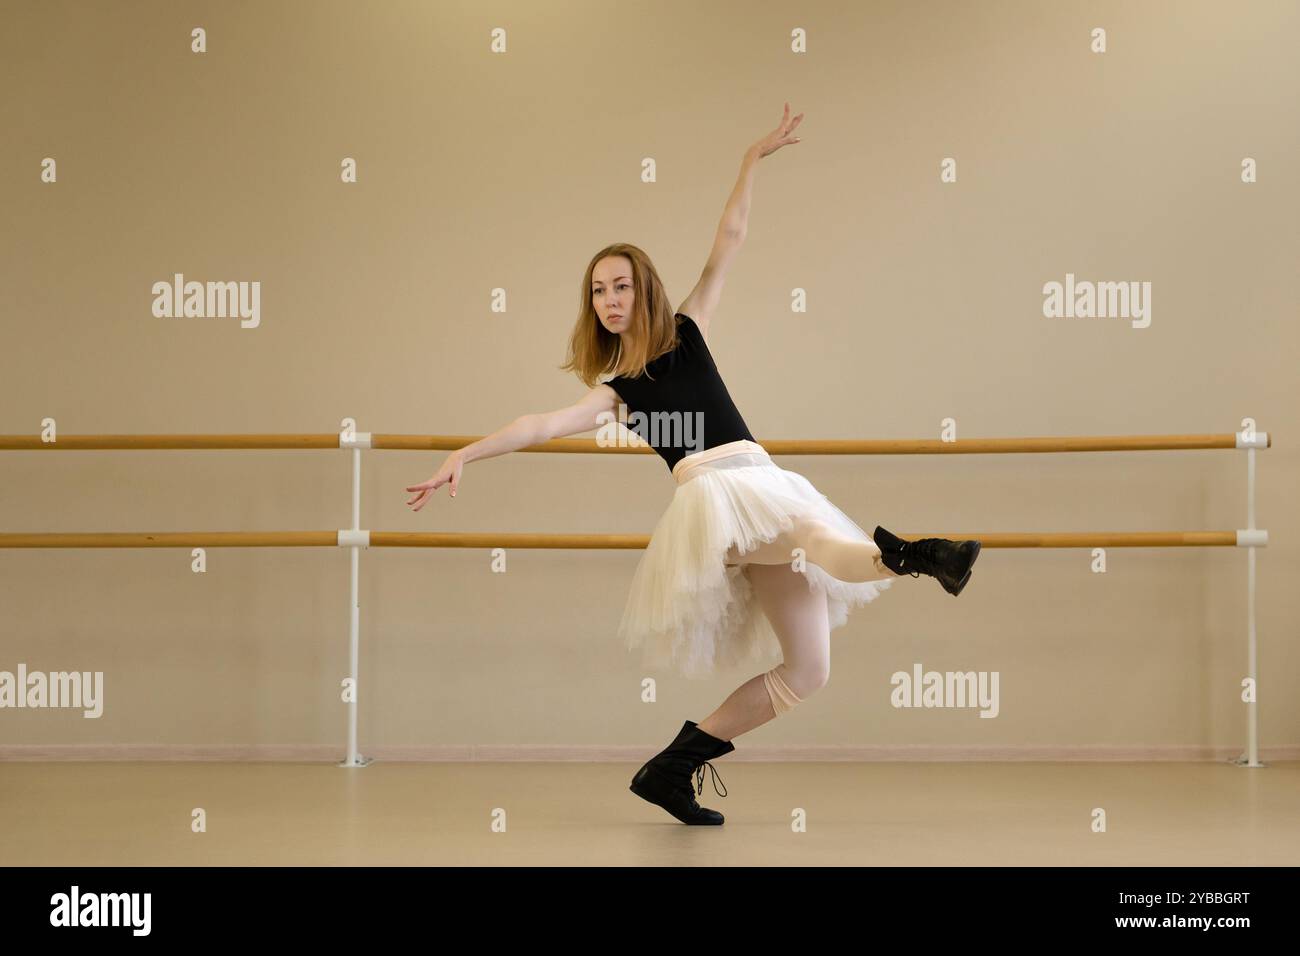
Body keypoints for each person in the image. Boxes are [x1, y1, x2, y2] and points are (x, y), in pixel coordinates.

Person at [405, 104, 981, 826]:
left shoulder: (688, 329)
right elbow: (541, 425)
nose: (608, 300)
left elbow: (729, 240)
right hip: (716, 498)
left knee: (809, 669)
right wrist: (465, 454)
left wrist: (749, 159)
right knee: (813, 538)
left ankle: (672, 767)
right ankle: (908, 554)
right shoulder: (616, 391)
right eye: (596, 290)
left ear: (643, 289)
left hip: (760, 478)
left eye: (619, 285)